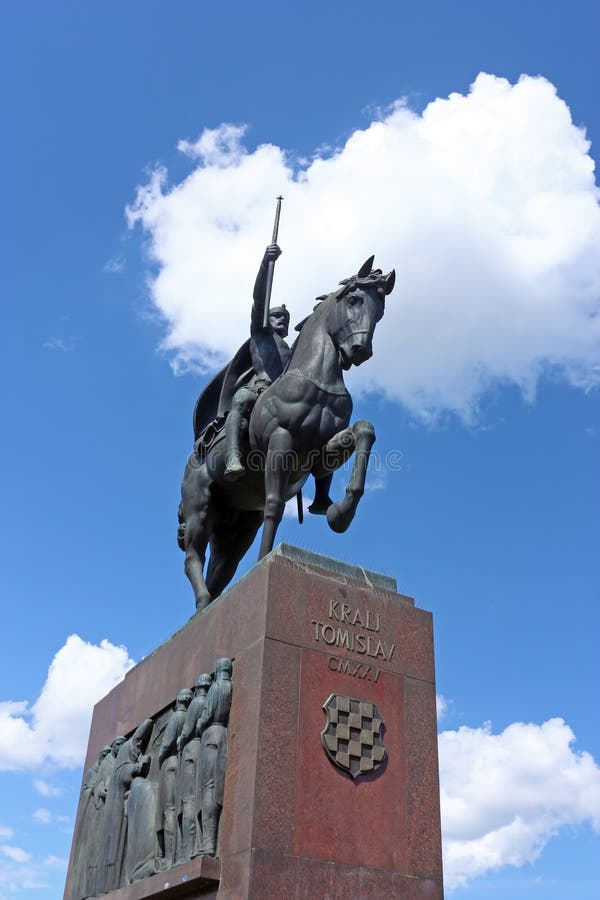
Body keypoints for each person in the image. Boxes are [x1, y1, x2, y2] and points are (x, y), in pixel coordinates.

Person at [224, 243, 291, 480]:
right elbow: (259, 298)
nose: (280, 319)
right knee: (241, 400)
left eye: (284, 318)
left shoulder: (292, 352)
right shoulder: (260, 333)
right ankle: (233, 456)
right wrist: (265, 264)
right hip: (259, 389)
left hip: (286, 397)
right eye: (276, 316)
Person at [196, 658, 233, 856]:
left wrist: (199, 724)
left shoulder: (216, 687)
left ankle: (208, 843)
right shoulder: (230, 686)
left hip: (210, 735)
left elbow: (207, 714)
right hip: (223, 736)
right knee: (216, 787)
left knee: (209, 787)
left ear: (218, 670)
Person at [177, 672, 213, 861]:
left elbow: (187, 729)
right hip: (204, 748)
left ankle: (186, 852)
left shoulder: (196, 703)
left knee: (188, 801)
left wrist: (180, 740)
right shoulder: (208, 701)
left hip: (191, 750)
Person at [156, 689, 193, 865]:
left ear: (178, 701)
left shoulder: (177, 717)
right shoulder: (190, 715)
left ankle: (170, 856)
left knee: (169, 810)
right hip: (182, 763)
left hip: (170, 764)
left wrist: (159, 761)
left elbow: (165, 744)